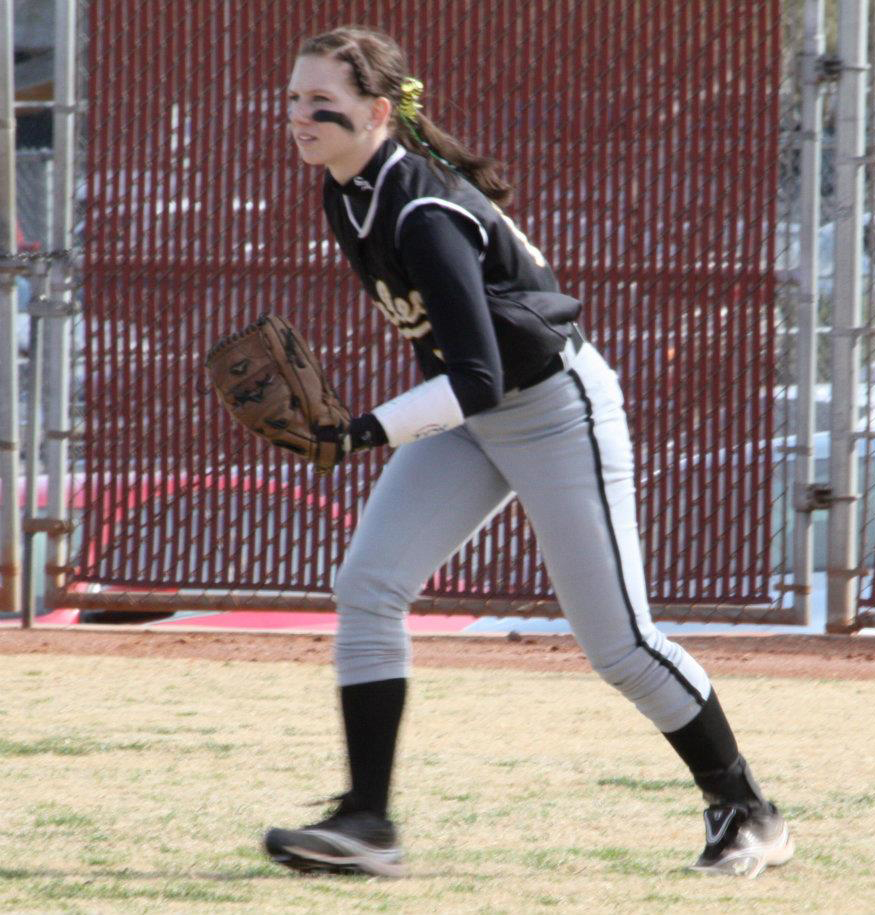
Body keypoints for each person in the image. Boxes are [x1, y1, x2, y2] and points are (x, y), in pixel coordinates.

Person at [263, 25, 794, 881]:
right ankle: (367, 822)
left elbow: (474, 374)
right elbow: (464, 375)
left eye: (321, 102)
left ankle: (746, 807)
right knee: (367, 586)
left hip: (554, 411)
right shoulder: (345, 188)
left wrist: (362, 430)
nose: (299, 114)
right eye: (292, 97)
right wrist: (380, 425)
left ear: (377, 111)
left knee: (617, 641)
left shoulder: (421, 207)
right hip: (477, 415)